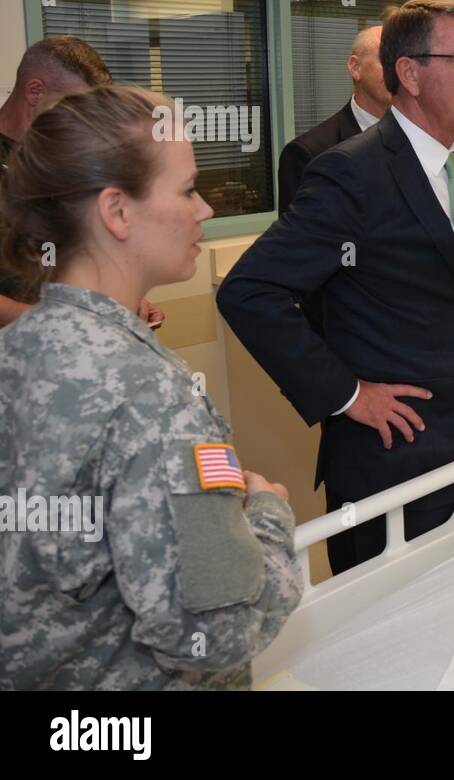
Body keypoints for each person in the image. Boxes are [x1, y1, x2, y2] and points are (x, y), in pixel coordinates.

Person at [0, 84, 302, 689]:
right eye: (188, 189)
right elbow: (213, 636)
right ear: (117, 212)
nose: (206, 210)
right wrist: (269, 517)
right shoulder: (153, 400)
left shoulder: (19, 349)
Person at [217, 0, 454, 575]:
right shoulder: (352, 172)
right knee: (384, 640)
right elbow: (248, 291)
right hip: (393, 459)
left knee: (451, 614)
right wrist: (345, 394)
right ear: (409, 72)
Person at [0, 36, 113, 327]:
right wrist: (45, 320)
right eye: (74, 106)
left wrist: (116, 302)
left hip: (60, 345)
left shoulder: (63, 158)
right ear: (35, 91)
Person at [277, 25, 389, 215]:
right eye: (387, 60)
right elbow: (302, 241)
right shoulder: (310, 153)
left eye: (404, 63)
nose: (399, 72)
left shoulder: (423, 138)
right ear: (355, 67)